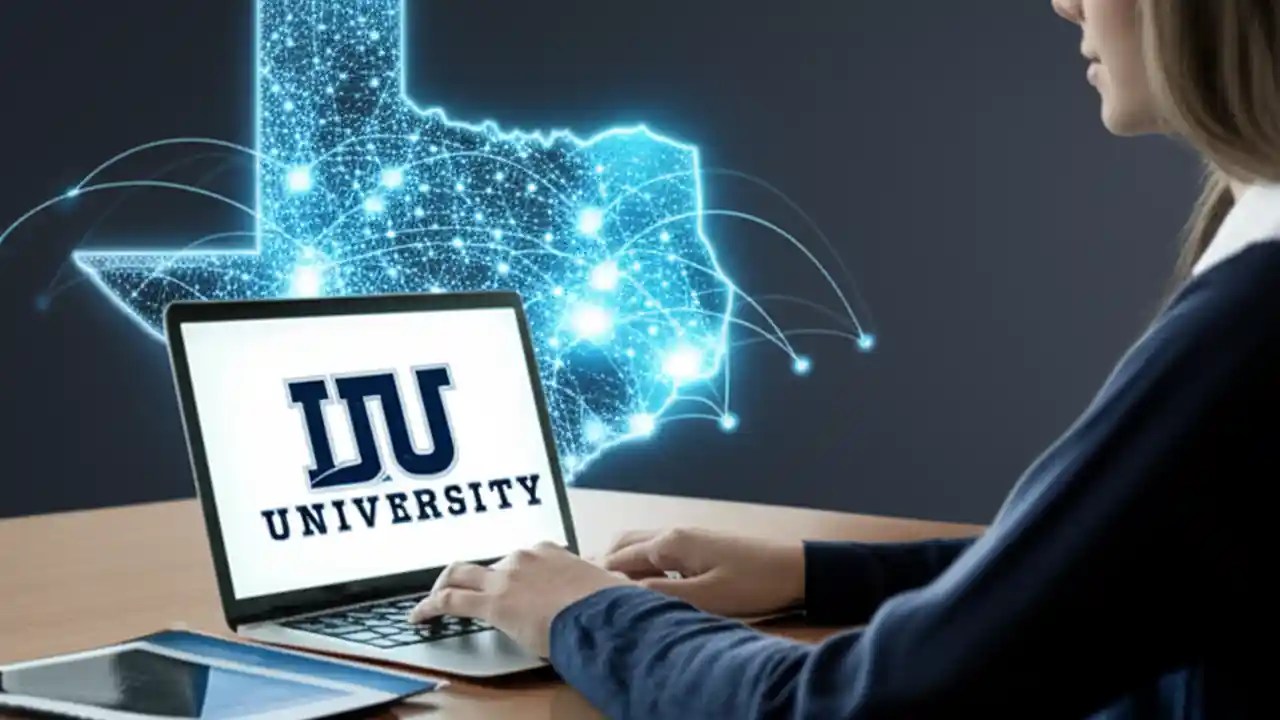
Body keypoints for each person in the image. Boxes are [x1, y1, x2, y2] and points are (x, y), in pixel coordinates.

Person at [408, 0, 1271, 716]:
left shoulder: (1247, 328)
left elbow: (857, 708)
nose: (1066, 1)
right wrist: (813, 575)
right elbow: (1108, 573)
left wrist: (587, 614)